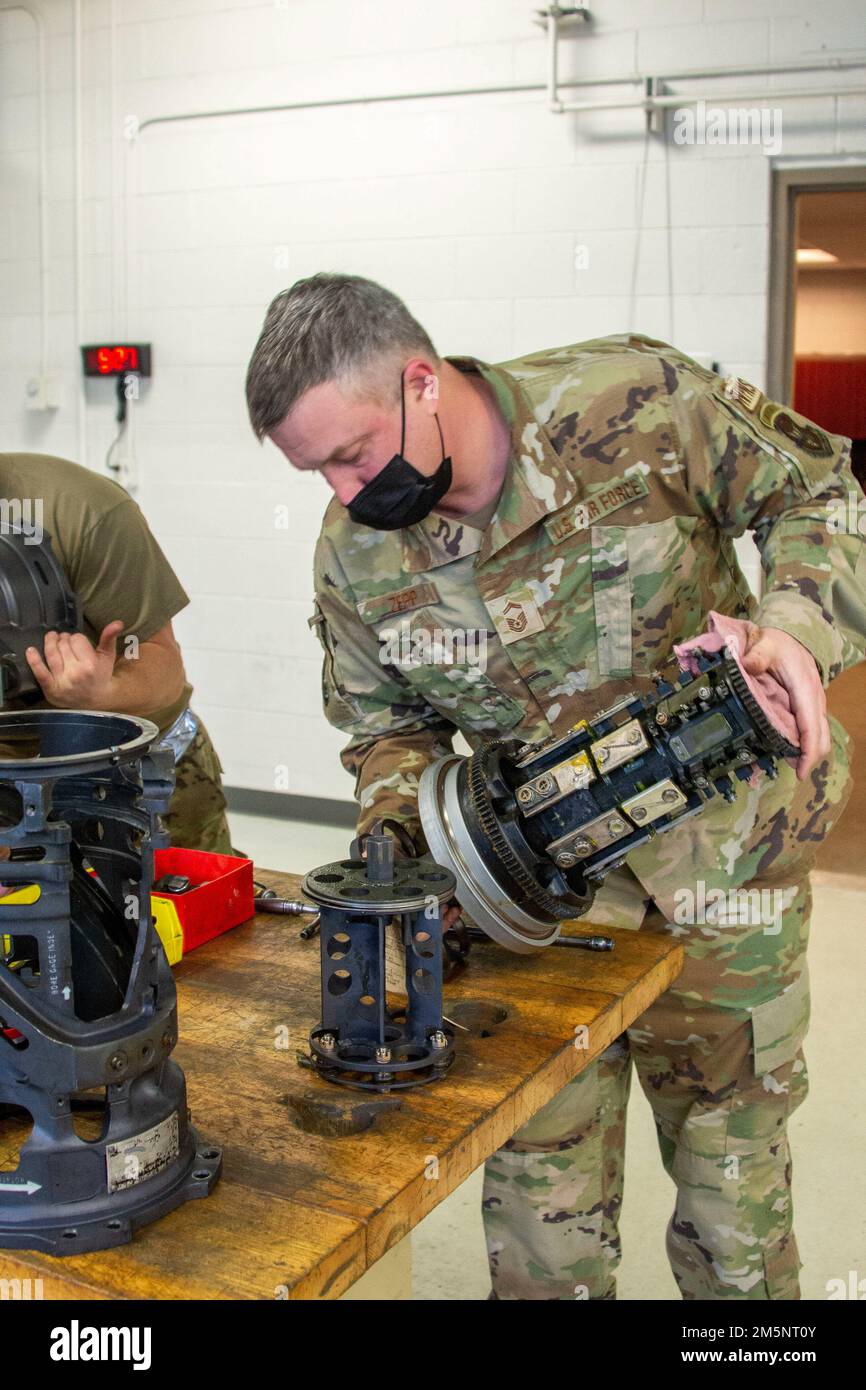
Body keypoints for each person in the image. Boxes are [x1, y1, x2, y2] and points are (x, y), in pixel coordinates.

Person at [245, 272, 866, 1300]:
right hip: (531, 922)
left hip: (723, 886)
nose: (347, 495)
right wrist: (405, 850)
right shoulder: (353, 555)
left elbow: (820, 491)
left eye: (351, 454)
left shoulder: (634, 401)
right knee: (540, 1234)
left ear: (419, 382)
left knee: (734, 1220)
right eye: (317, 473)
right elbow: (386, 726)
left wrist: (793, 630)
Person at [0, 452, 232, 854]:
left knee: (169, 911)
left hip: (130, 772)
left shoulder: (85, 511)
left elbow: (162, 666)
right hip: (11, 776)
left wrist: (99, 696)